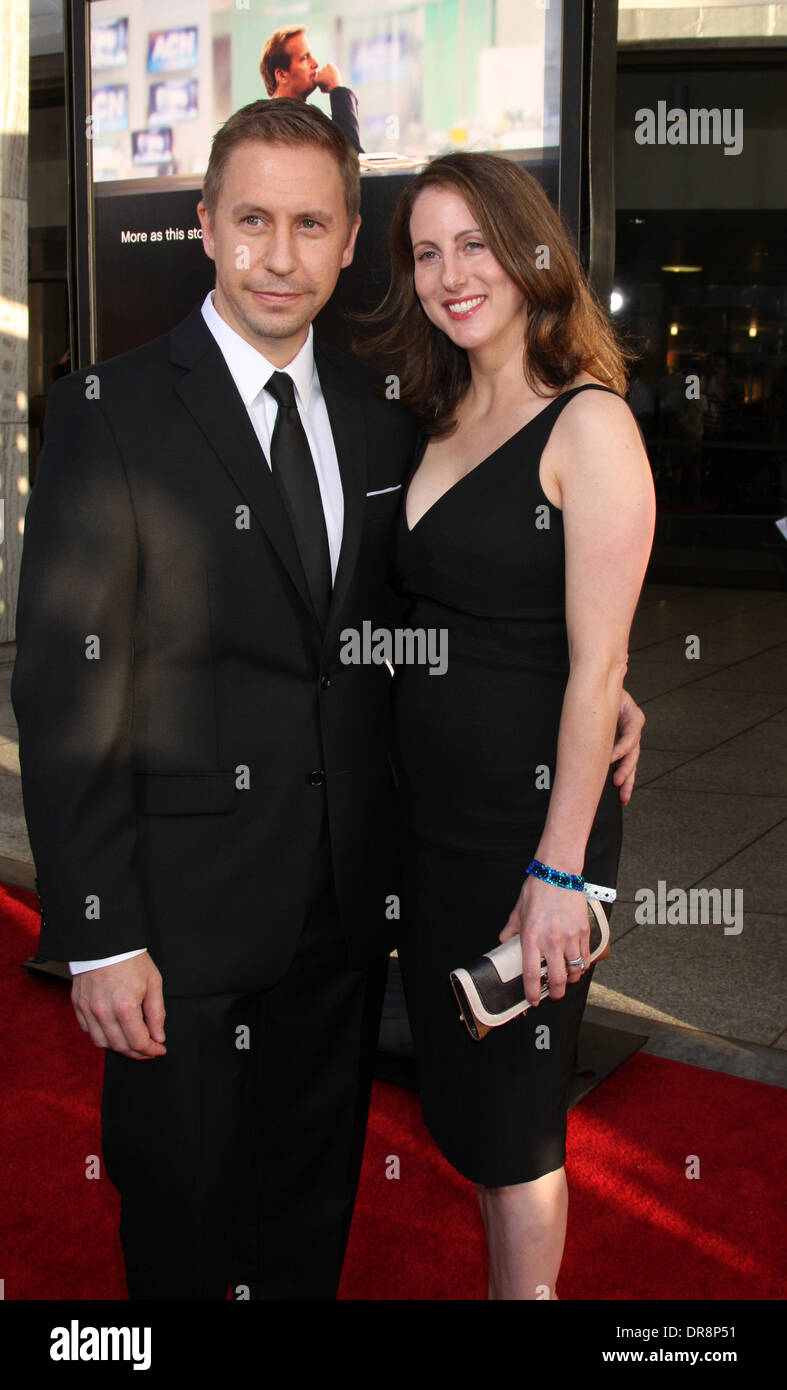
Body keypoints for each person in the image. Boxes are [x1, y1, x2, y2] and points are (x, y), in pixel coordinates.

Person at [12, 106, 644, 1301]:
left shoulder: (388, 410)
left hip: (352, 904)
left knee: (309, 1213)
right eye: (252, 220)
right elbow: (62, 685)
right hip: (180, 919)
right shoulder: (110, 412)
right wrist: (99, 932)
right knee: (183, 1217)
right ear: (201, 226)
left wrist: (603, 689)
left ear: (351, 240)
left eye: (312, 224)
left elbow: (471, 600)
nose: (280, 255)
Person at [359, 152, 655, 1301]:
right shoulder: (437, 410)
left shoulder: (589, 423)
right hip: (431, 823)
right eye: (426, 252)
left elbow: (597, 673)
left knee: (519, 1122)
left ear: (530, 251)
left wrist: (555, 871)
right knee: (467, 1104)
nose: (449, 274)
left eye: (474, 244)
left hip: (532, 831)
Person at [260, 25, 363, 153]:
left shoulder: (307, 114)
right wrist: (337, 89)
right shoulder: (280, 124)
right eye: (304, 58)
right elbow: (350, 160)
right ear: (281, 75)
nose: (315, 63)